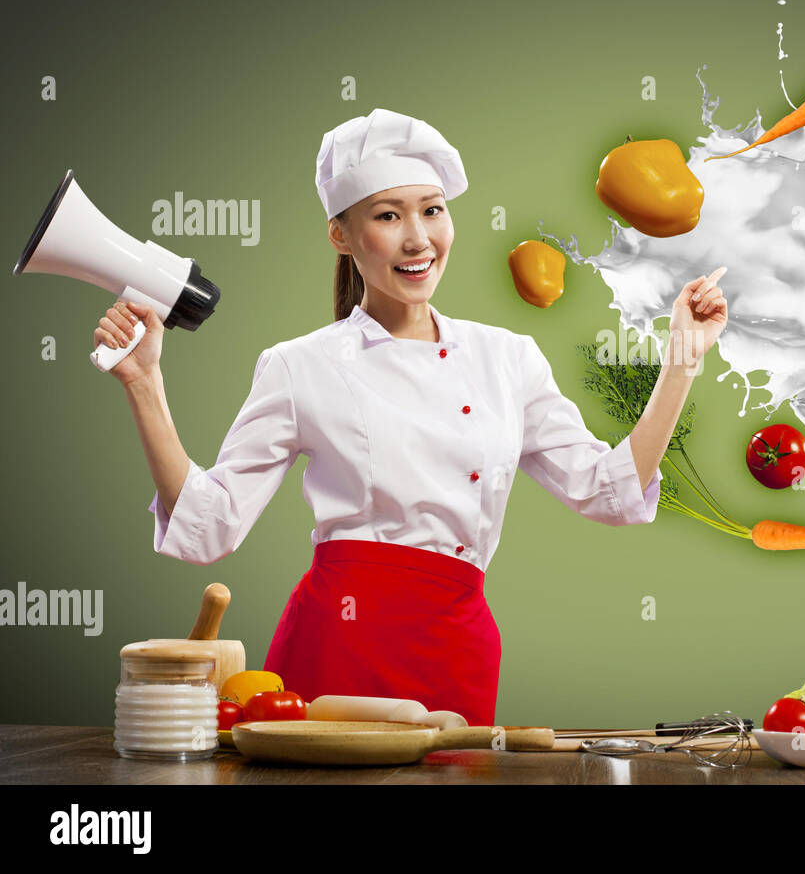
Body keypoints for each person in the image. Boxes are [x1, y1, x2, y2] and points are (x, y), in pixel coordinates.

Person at [99, 108, 727, 725]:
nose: (418, 238)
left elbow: (608, 492)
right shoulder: (300, 366)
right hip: (336, 650)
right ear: (341, 235)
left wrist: (681, 361)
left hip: (458, 649)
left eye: (432, 209)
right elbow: (211, 529)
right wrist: (145, 382)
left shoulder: (507, 358)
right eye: (388, 215)